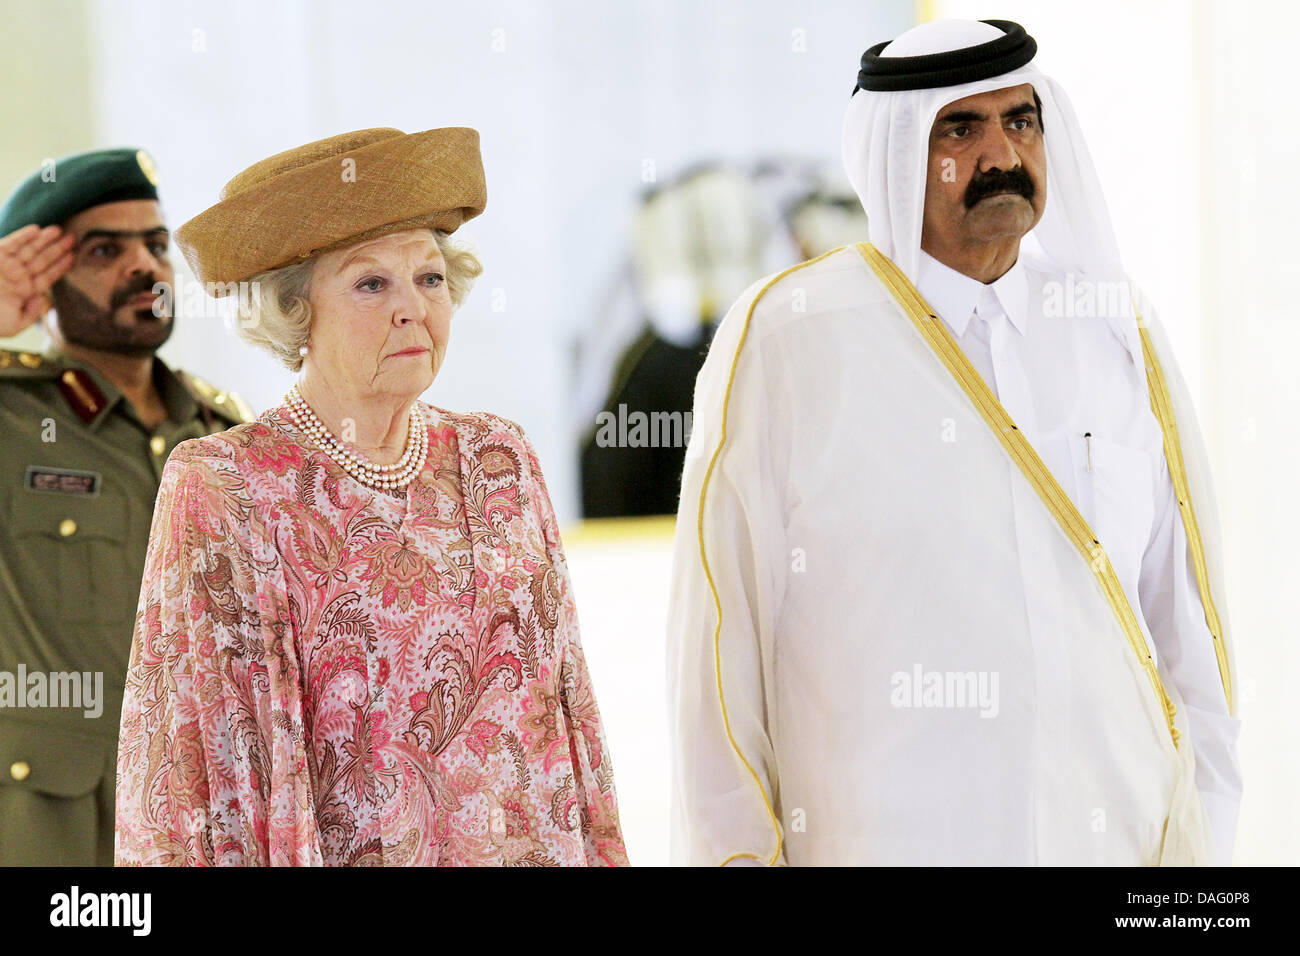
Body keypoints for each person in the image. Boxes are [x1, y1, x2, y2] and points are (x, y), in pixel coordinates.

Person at [667, 19, 1241, 866]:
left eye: (1022, 121)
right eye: (960, 129)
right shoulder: (789, 338)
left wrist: (1206, 841)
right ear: (895, 152)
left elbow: (1187, 618)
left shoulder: (1111, 327)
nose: (1001, 153)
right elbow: (719, 640)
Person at [113, 126, 628, 866]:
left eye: (429, 278)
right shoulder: (224, 486)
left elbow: (570, 713)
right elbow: (189, 777)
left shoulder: (500, 458)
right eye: (370, 282)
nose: (413, 308)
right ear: (295, 312)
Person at [0, 148, 250, 866]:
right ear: (41, 280)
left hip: (203, 824)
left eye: (156, 243)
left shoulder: (223, 433)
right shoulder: (14, 418)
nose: (144, 267)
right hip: (53, 835)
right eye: (105, 249)